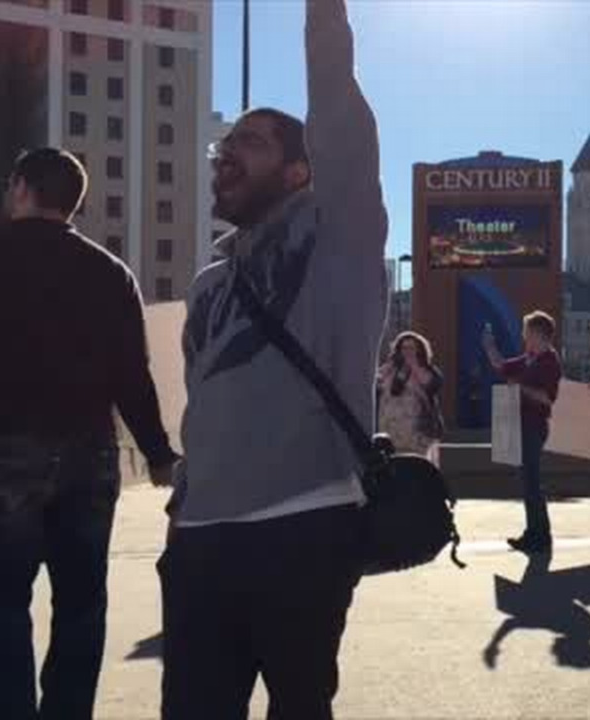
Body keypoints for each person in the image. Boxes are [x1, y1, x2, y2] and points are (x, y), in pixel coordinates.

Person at [160, 1, 387, 717]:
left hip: (304, 523)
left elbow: (340, 116)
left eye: (252, 142)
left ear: (299, 171)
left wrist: (323, 17)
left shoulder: (340, 234)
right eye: (225, 142)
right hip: (199, 540)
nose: (227, 152)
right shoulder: (208, 285)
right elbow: (203, 404)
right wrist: (182, 508)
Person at [0, 148, 178, 719]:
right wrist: (157, 452)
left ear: (22, 187)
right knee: (80, 602)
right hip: (89, 453)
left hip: (8, 449)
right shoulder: (110, 272)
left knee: (3, 600)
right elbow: (132, 373)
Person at [483, 312, 563, 554]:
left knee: (532, 483)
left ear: (538, 334)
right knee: (528, 483)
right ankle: (533, 534)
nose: (523, 336)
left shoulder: (549, 361)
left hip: (534, 427)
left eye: (526, 332)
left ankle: (541, 537)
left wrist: (520, 387)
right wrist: (489, 346)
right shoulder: (530, 358)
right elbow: (501, 366)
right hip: (520, 425)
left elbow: (547, 398)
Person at [377, 332, 444, 466]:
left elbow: (430, 384)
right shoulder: (391, 369)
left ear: (419, 350)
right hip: (390, 429)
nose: (407, 352)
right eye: (404, 348)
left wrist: (413, 365)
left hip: (417, 432)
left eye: (412, 348)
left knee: (417, 466)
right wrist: (390, 366)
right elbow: (378, 382)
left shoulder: (427, 370)